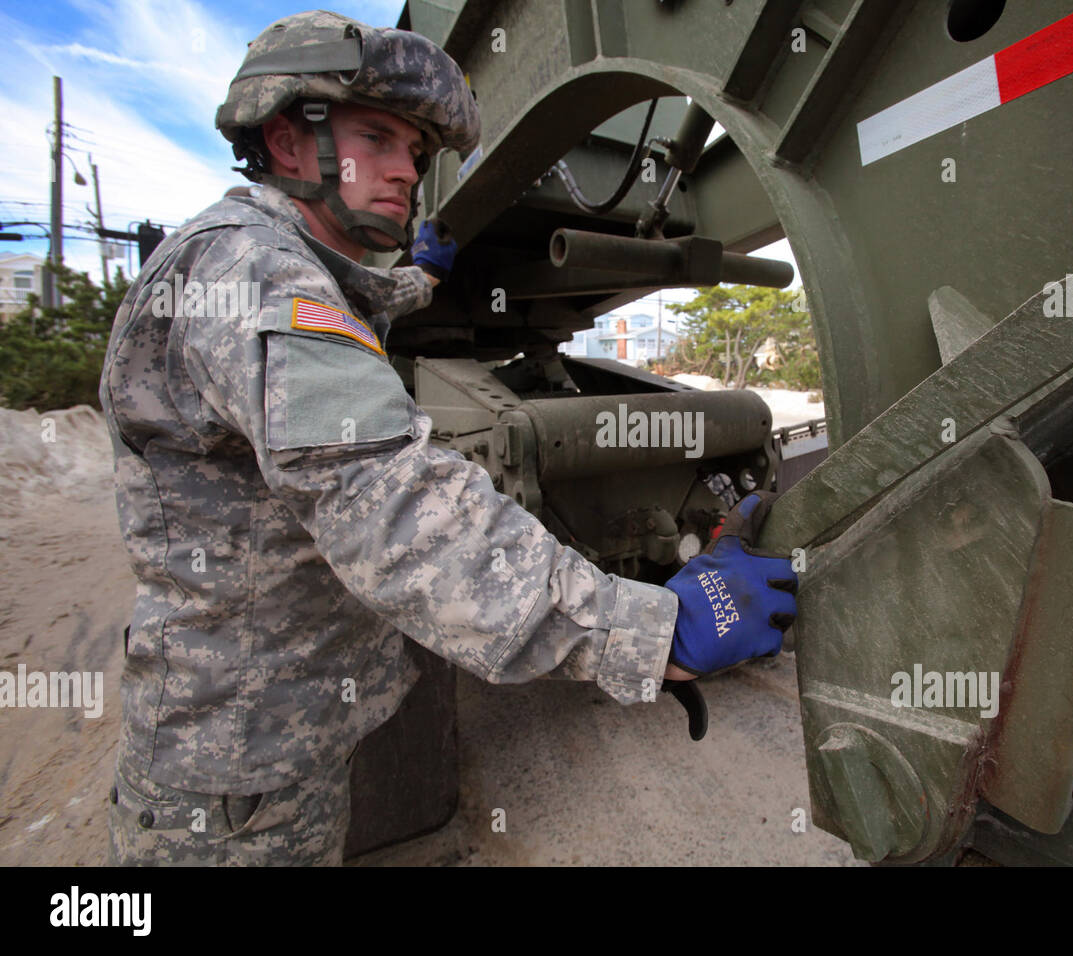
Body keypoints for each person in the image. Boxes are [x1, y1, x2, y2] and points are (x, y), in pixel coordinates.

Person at [99, 10, 797, 866]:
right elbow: (393, 505)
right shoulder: (246, 270)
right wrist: (651, 630)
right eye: (379, 139)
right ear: (287, 141)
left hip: (268, 752)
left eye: (417, 156)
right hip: (227, 789)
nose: (405, 172)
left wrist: (418, 279)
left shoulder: (279, 265)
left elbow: (351, 306)